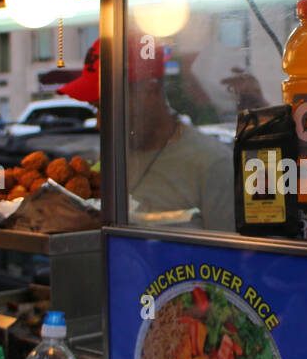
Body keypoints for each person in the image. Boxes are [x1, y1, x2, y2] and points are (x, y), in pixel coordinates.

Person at [60, 41, 234, 231]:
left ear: (149, 92)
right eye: (96, 108)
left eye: (105, 107)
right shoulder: (111, 158)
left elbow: (231, 255)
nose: (99, 123)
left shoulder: (212, 164)